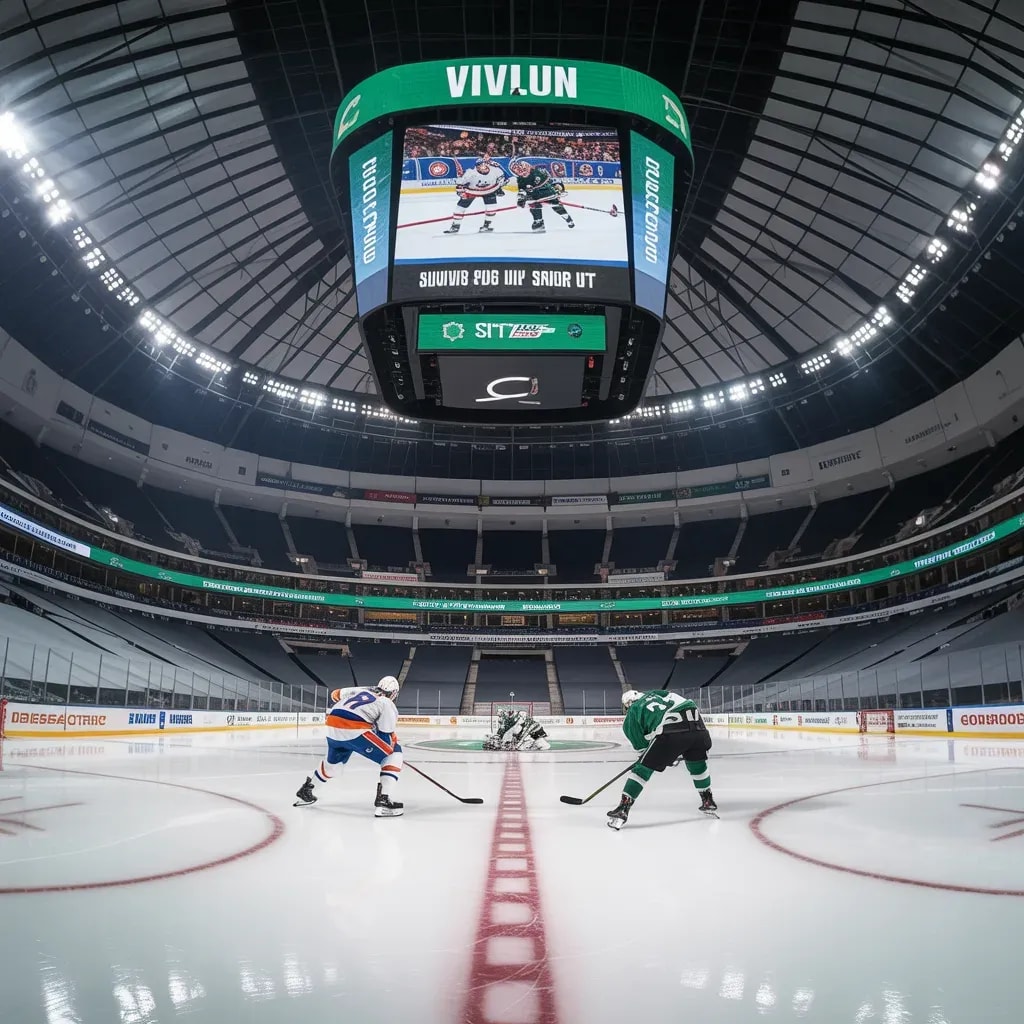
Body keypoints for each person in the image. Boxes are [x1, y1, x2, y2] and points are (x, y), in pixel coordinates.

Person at [294, 675, 404, 817]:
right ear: (394, 693)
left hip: (332, 723)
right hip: (353, 727)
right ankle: (384, 800)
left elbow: (335, 694)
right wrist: (391, 744)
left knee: (333, 766)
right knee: (394, 754)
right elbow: (385, 735)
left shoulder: (361, 692)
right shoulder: (387, 703)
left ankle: (307, 791)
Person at [607, 689, 716, 830]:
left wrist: (661, 754)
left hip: (671, 733)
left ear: (627, 704)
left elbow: (642, 748)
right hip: (698, 728)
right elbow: (683, 702)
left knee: (642, 769)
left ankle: (623, 808)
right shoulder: (657, 694)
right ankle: (708, 800)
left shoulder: (633, 711)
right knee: (697, 763)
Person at [443, 156, 507, 234]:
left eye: (484, 164)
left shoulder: (495, 170)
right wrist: (460, 192)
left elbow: (502, 180)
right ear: (477, 167)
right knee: (460, 208)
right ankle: (455, 226)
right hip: (472, 191)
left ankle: (486, 226)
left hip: (490, 190)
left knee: (491, 208)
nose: (483, 167)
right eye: (481, 165)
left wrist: (499, 188)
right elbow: (460, 183)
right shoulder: (470, 173)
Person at [511, 159, 574, 232]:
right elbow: (522, 190)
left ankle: (567, 218)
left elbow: (546, 182)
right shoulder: (520, 179)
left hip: (547, 192)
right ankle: (539, 222)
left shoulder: (537, 172)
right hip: (536, 196)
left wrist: (559, 190)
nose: (523, 173)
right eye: (519, 172)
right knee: (533, 205)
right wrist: (521, 199)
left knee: (555, 205)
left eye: (524, 170)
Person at [484, 707, 551, 751]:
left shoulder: (526, 726)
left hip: (534, 735)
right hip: (533, 734)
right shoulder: (521, 724)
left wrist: (517, 746)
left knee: (524, 745)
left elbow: (523, 735)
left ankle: (532, 744)